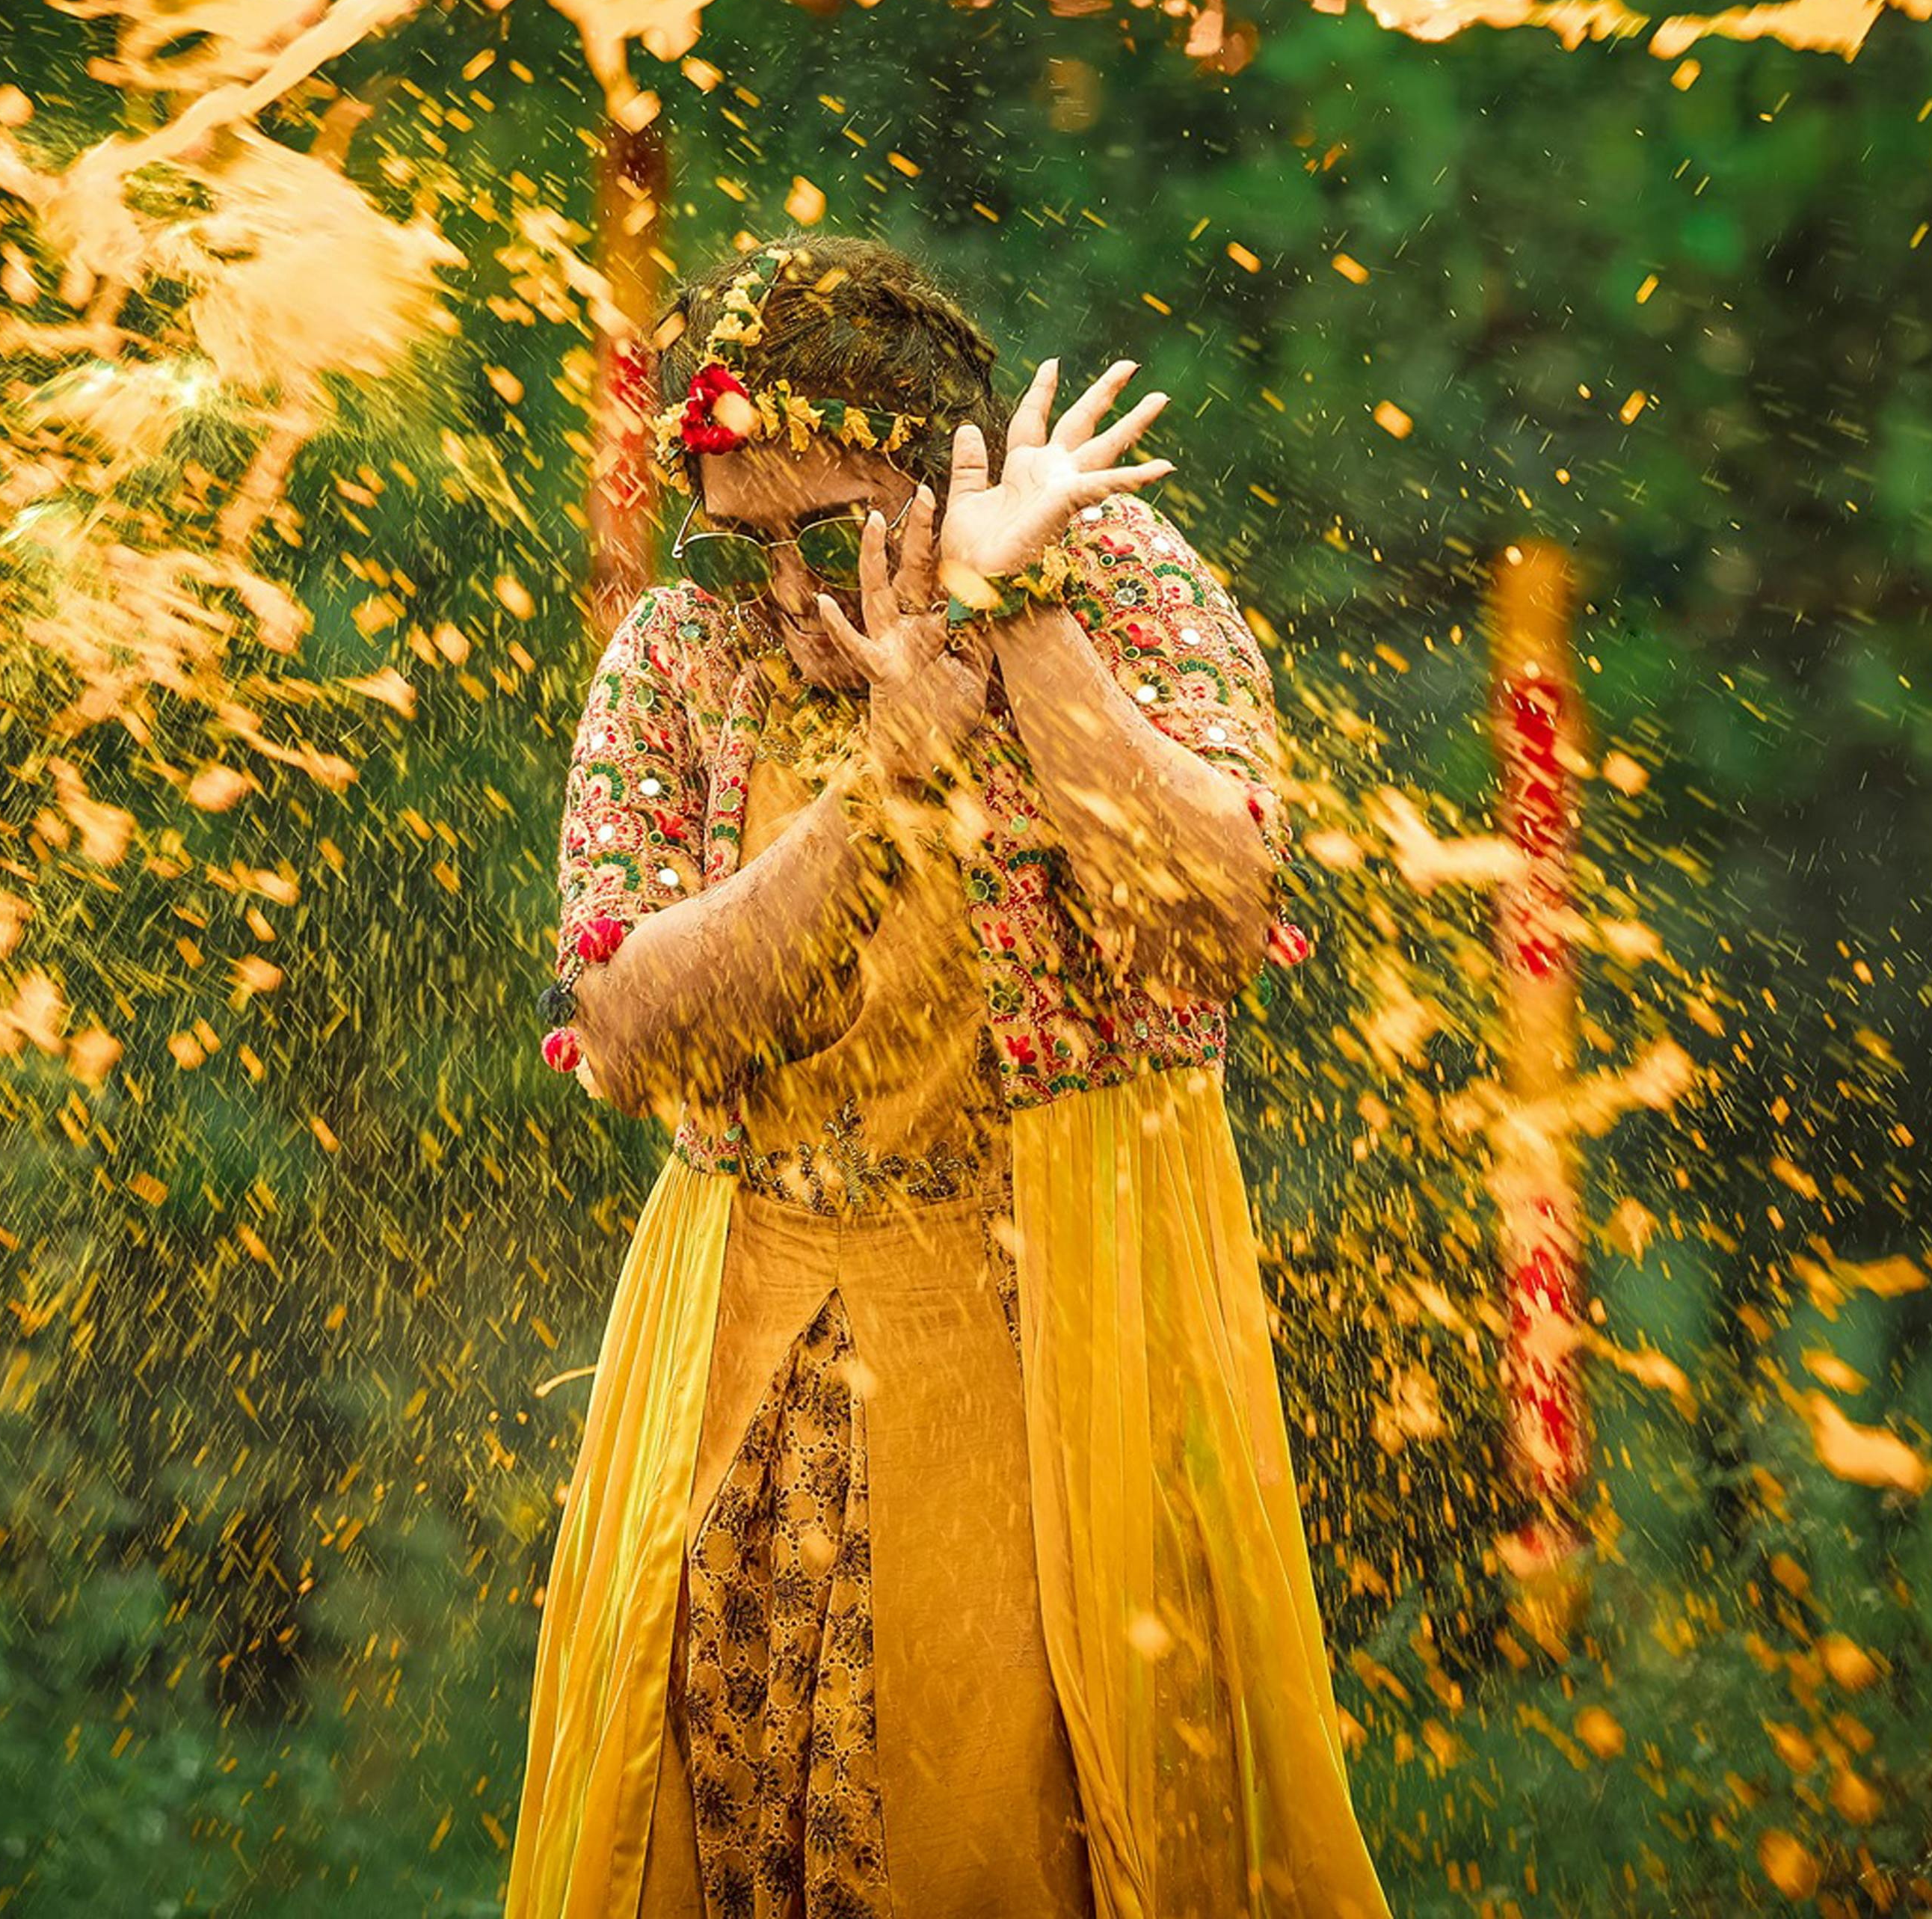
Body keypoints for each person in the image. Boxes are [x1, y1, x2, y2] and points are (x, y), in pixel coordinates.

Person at [507, 234, 1391, 1919]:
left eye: (825, 535)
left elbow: (1204, 922)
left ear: (944, 479)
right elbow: (629, 1034)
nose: (784, 592)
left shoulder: (1114, 575)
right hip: (751, 1342)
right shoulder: (691, 649)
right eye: (742, 542)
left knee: (1057, 1834)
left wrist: (1021, 623)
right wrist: (898, 761)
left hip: (1060, 1332)